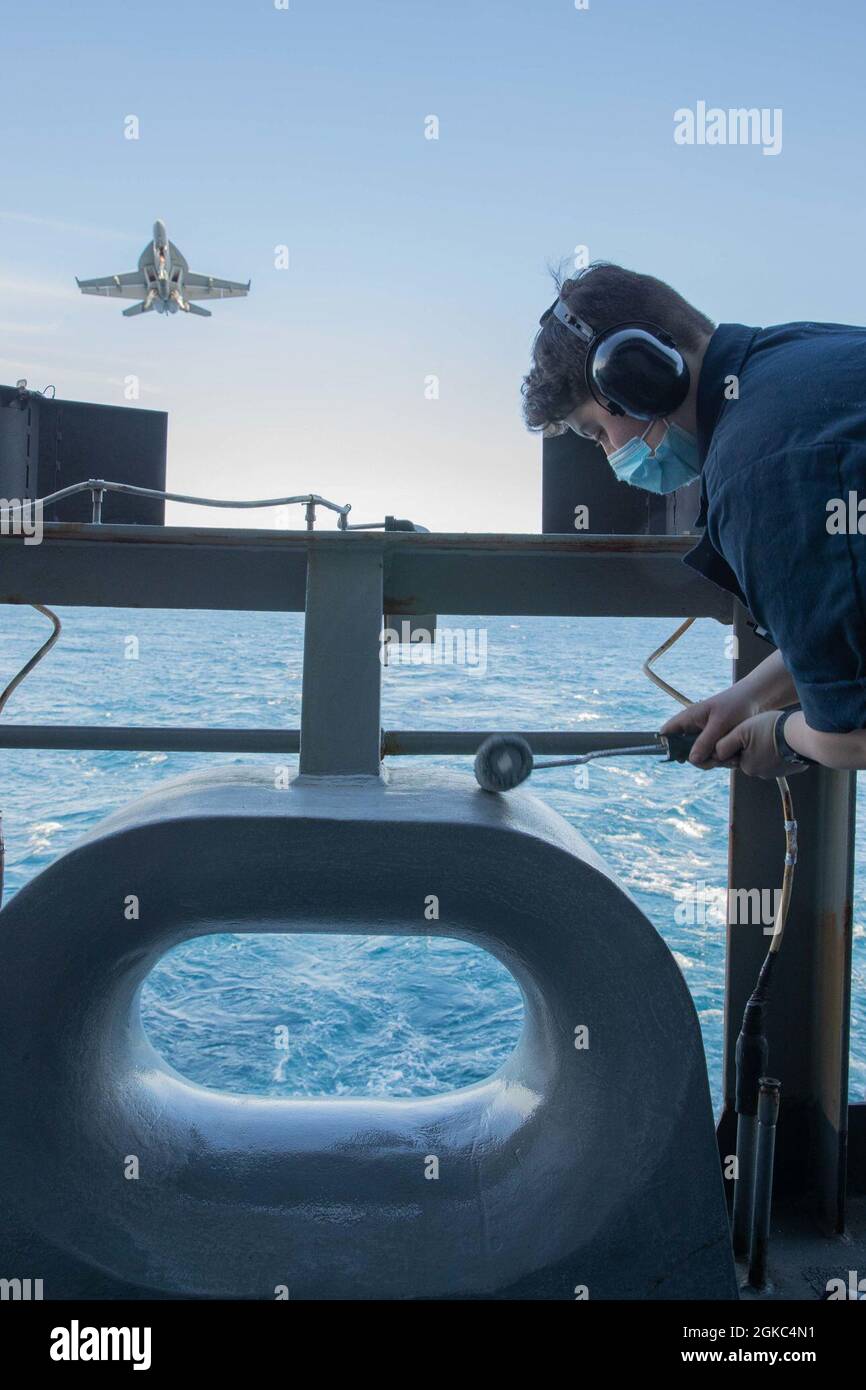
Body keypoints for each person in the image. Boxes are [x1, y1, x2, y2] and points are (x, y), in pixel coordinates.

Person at [522, 261, 866, 779]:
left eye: (596, 434)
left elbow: (854, 735)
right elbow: (850, 624)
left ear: (634, 374)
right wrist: (748, 698)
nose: (612, 458)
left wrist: (784, 736)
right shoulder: (803, 354)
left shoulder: (760, 473)